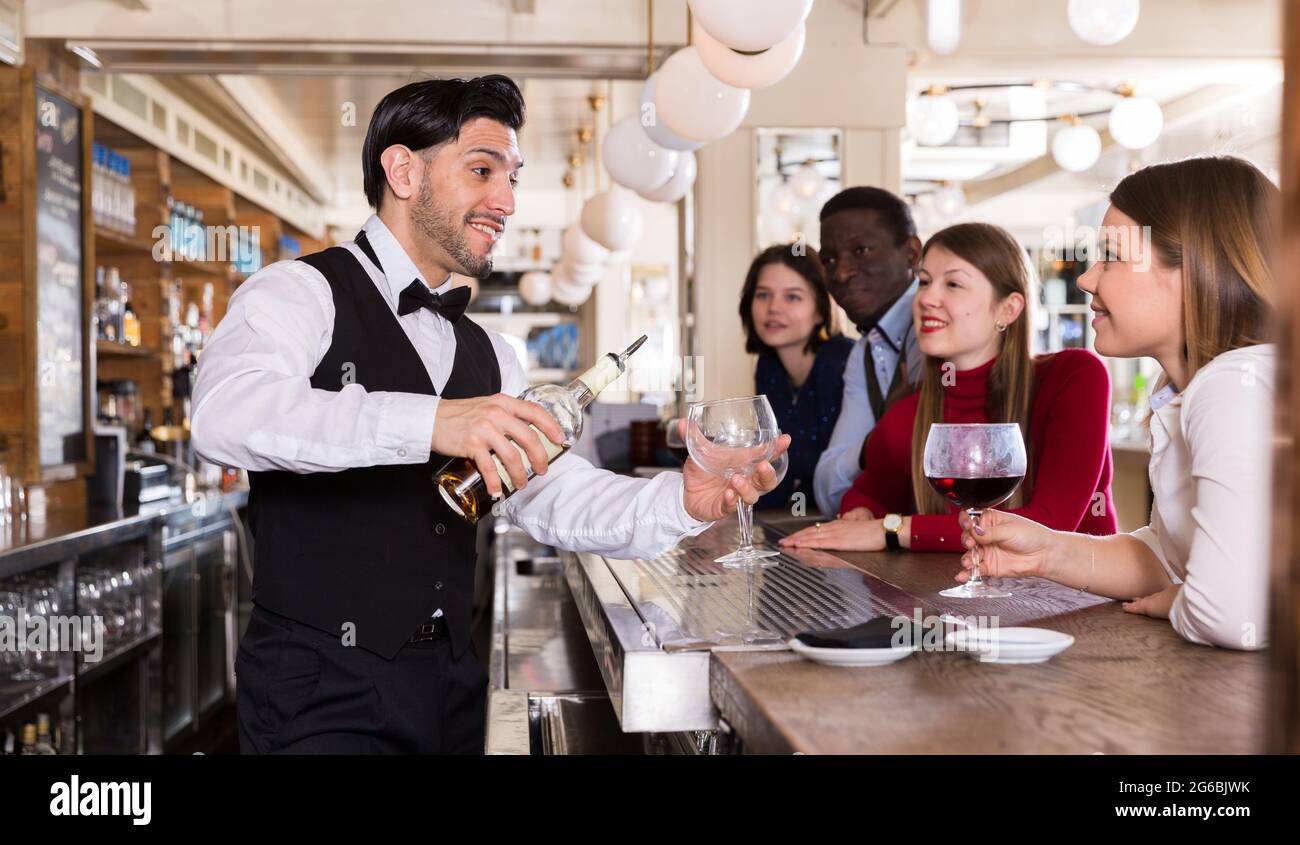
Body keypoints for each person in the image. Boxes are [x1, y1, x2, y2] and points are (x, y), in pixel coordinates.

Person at [191, 75, 787, 754]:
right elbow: (223, 414)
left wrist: (680, 500)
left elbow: (550, 495)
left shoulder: (494, 354)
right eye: (481, 170)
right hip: (319, 687)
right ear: (404, 170)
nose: (505, 200)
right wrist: (432, 420)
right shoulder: (298, 291)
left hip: (449, 678)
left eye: (512, 175)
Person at [955, 156, 1276, 651]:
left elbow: (1228, 614)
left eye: (1111, 256)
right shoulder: (1190, 388)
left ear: (1193, 268)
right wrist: (1047, 552)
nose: (1086, 279)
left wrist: (1179, 603)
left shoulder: (1232, 385)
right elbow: (1170, 559)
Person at [781, 222, 1116, 552]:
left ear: (1008, 308)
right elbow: (868, 493)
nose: (926, 298)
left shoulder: (1074, 377)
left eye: (953, 284)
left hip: (1079, 600)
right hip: (968, 598)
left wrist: (891, 530)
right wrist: (860, 516)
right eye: (924, 282)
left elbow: (1049, 527)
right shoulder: (910, 411)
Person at [812, 187, 925, 516]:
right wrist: (884, 433)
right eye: (829, 260)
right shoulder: (864, 353)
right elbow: (827, 490)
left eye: (861, 250)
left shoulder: (941, 332)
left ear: (911, 253)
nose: (841, 273)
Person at [740, 243, 853, 510]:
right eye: (763, 295)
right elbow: (775, 470)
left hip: (847, 520)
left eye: (792, 297)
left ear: (820, 309)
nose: (773, 308)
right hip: (792, 522)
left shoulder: (842, 361)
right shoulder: (769, 367)